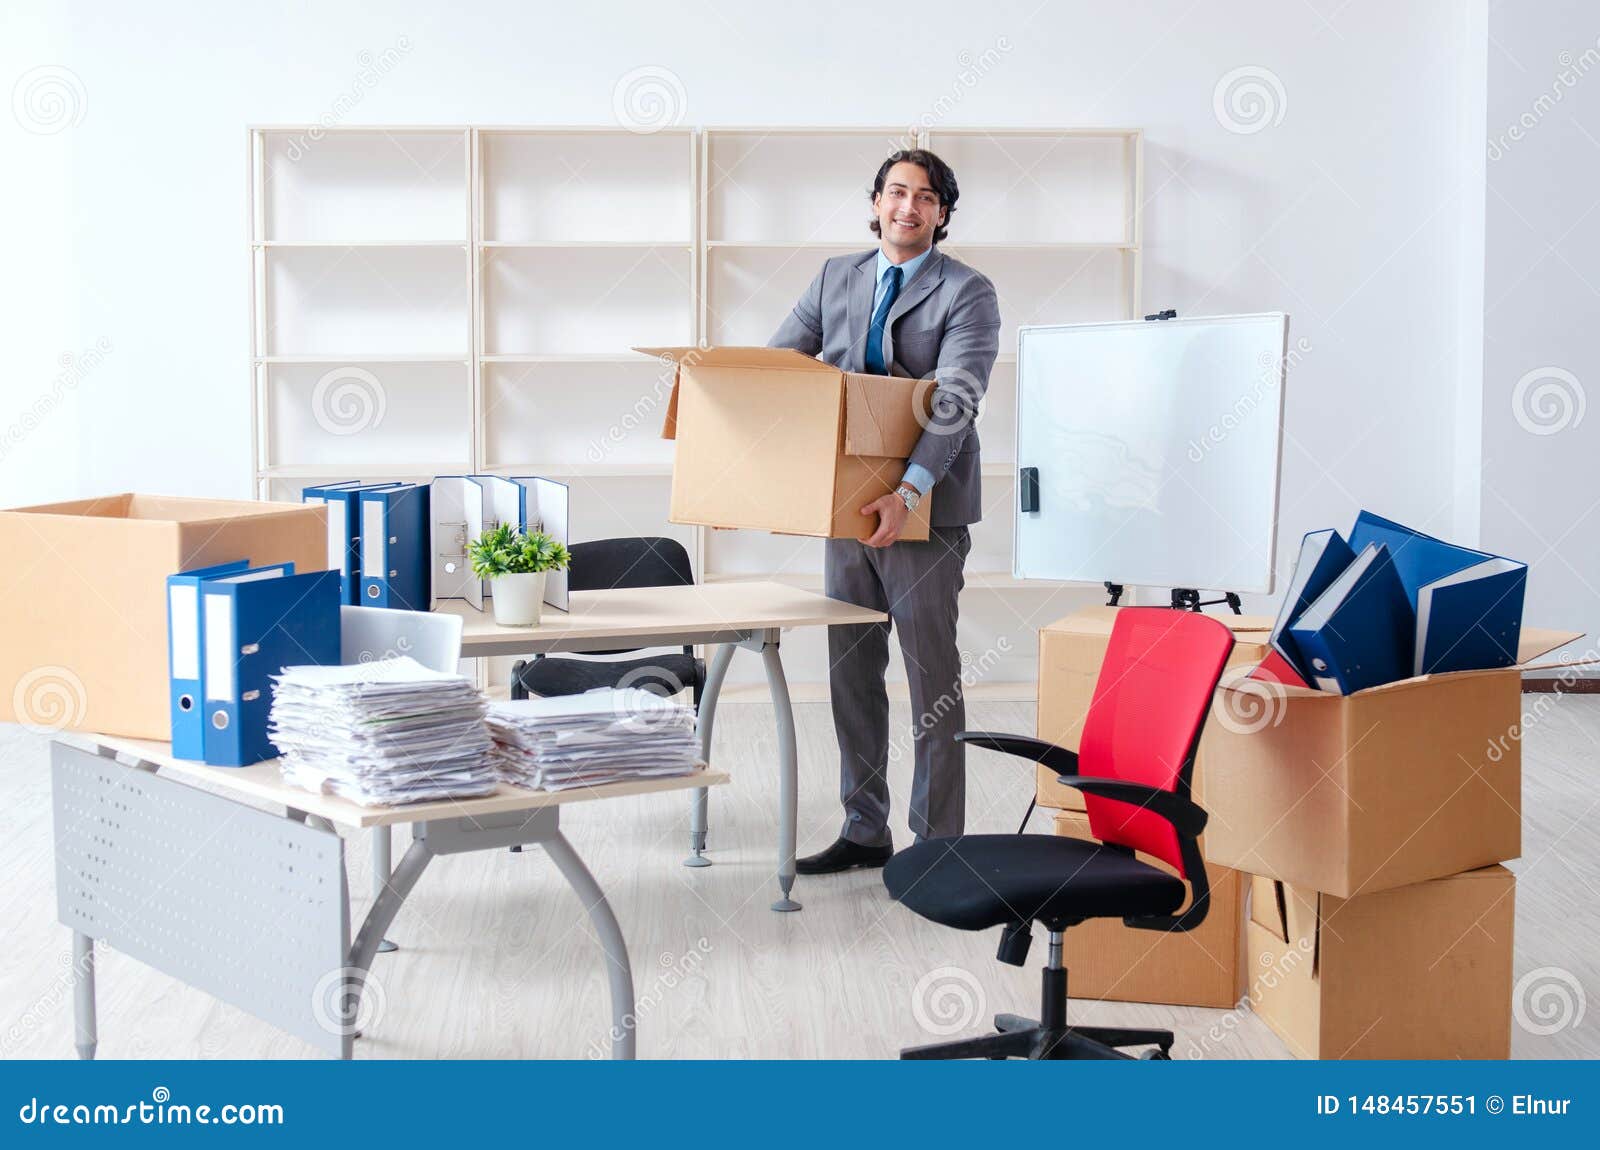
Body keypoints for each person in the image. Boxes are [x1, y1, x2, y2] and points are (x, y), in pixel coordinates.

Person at [768, 148, 1001, 874]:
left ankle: (938, 847)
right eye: (896, 193)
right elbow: (784, 367)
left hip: (923, 505)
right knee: (850, 670)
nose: (908, 207)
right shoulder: (837, 276)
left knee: (931, 675)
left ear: (941, 214)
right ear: (875, 203)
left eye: (925, 197)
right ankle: (865, 830)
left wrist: (907, 493)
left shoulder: (968, 291)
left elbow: (956, 399)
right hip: (845, 504)